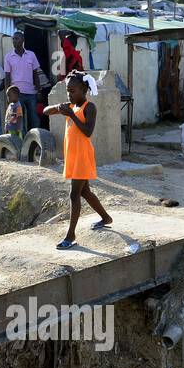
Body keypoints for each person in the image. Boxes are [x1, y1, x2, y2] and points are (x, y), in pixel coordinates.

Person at [46, 71, 113, 250]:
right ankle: (106, 218)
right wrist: (59, 107)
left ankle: (71, 235)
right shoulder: (71, 106)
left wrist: (72, 115)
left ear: (84, 89)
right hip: (73, 156)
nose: (70, 94)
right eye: (68, 91)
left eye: (73, 91)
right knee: (85, 192)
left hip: (82, 157)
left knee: (74, 194)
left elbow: (88, 131)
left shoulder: (88, 108)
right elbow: (46, 111)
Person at [3, 32, 44, 132]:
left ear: (23, 40)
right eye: (13, 39)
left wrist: (39, 91)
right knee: (20, 120)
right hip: (17, 94)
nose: (14, 41)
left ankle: (35, 140)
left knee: (34, 119)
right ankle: (24, 143)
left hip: (31, 93)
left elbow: (35, 74)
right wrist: (8, 95)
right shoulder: (8, 56)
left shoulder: (31, 55)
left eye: (16, 38)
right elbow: (7, 77)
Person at [3, 85, 24, 152]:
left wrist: (18, 129)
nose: (7, 98)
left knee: (16, 143)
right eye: (7, 96)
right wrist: (6, 127)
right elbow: (8, 116)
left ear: (16, 95)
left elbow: (19, 117)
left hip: (15, 129)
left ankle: (19, 153)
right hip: (9, 128)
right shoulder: (10, 105)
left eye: (9, 95)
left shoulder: (18, 106)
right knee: (9, 142)